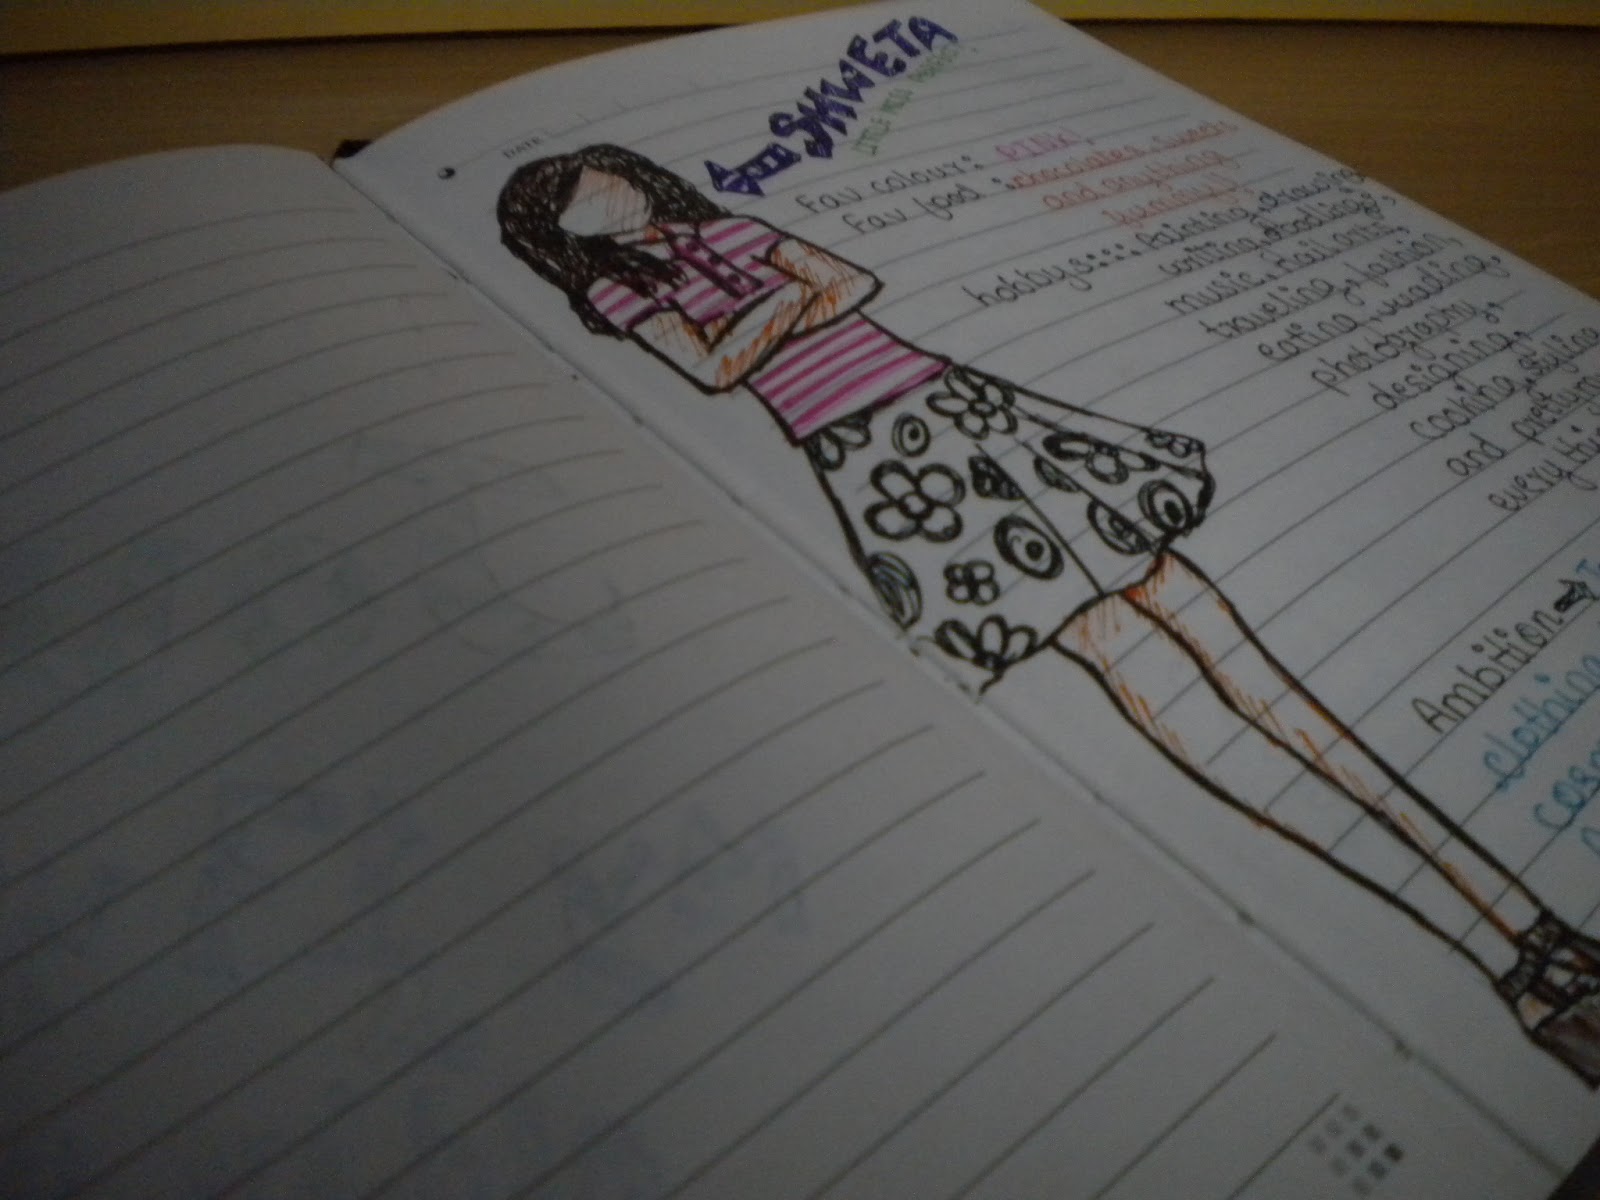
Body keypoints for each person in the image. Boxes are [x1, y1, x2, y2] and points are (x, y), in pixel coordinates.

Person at [498, 142, 1600, 1083]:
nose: (606, 202)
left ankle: (1528, 927)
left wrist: (766, 315)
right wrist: (789, 301)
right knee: (1142, 681)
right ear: (561, 233)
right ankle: (1504, 957)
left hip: (961, 412)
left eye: (607, 182)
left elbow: (839, 290)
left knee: (1236, 657)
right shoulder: (617, 293)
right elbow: (717, 368)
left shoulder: (732, 231)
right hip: (890, 470)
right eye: (579, 204)